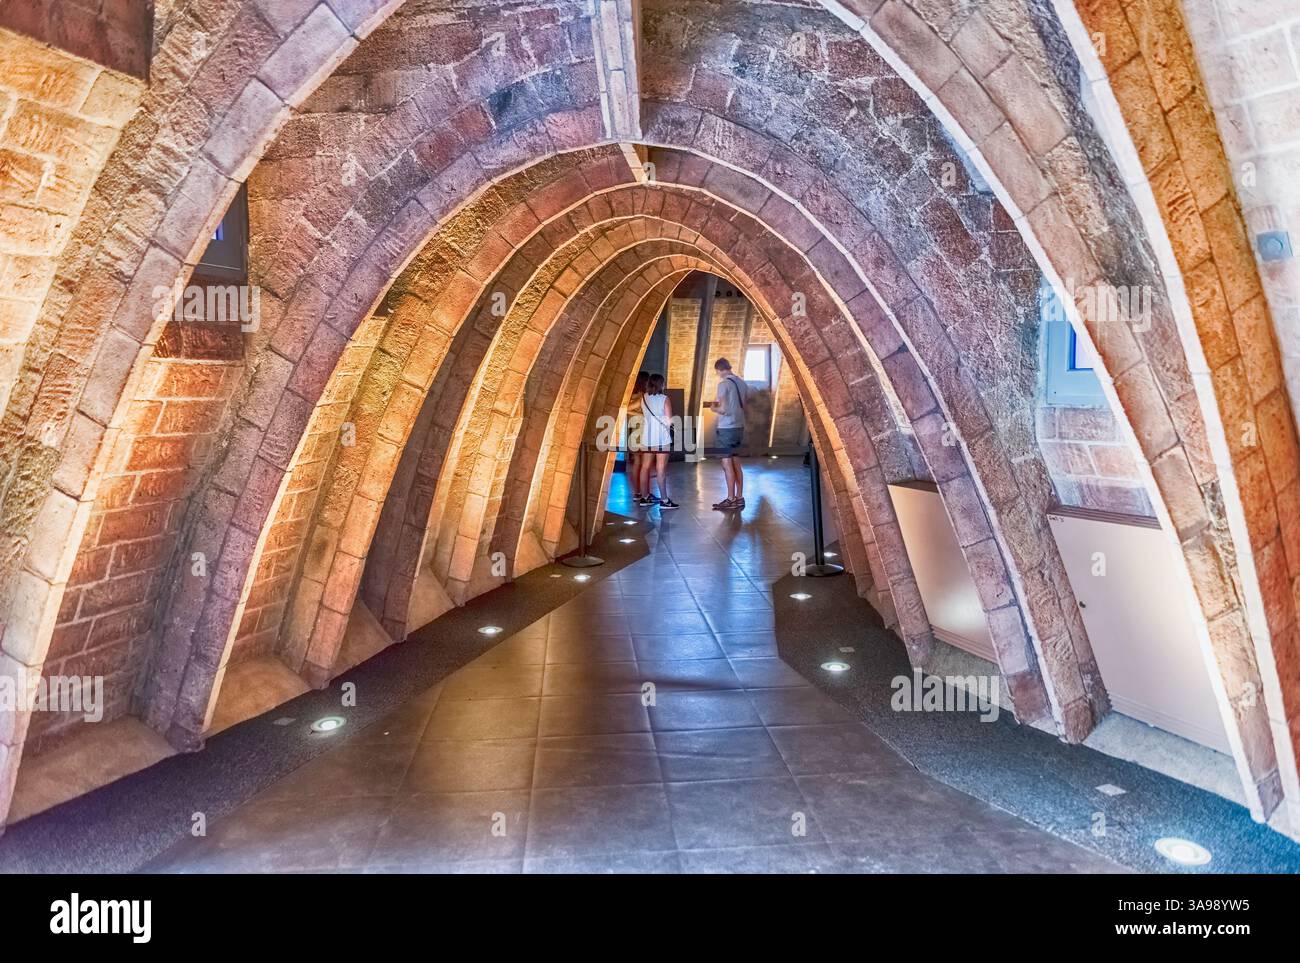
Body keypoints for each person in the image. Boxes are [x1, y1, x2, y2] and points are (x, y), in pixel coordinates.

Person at [703, 357, 746, 511]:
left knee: (726, 464)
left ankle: (730, 498)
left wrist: (713, 408)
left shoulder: (723, 384)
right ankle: (739, 497)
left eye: (717, 372)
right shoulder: (741, 383)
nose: (718, 374)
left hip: (726, 428)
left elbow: (724, 409)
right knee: (737, 463)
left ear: (720, 369)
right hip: (739, 427)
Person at [638, 373, 678, 509]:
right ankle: (664, 500)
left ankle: (644, 497)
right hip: (661, 438)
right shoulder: (665, 399)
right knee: (661, 469)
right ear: (661, 384)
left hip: (647, 437)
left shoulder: (643, 398)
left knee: (645, 467)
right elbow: (669, 420)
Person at [627, 370, 649, 503]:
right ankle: (641, 493)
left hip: (633, 430)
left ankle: (638, 492)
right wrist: (642, 416)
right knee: (642, 463)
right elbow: (627, 409)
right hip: (640, 432)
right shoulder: (641, 397)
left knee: (637, 462)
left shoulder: (631, 395)